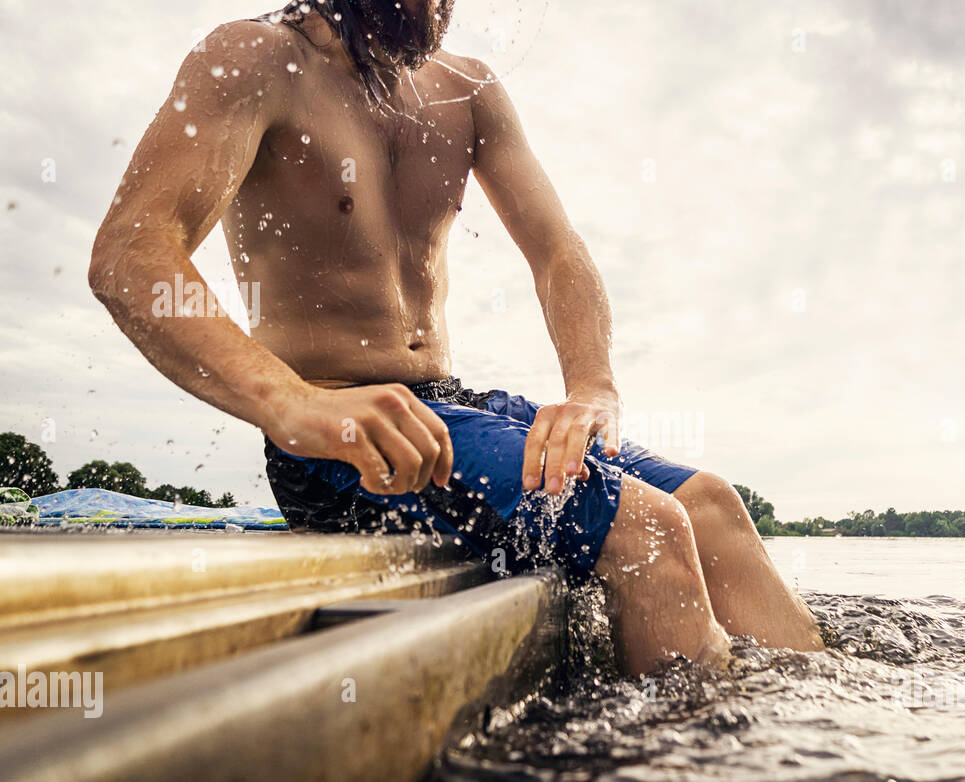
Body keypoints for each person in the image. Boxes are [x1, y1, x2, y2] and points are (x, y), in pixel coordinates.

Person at [88, 0, 824, 674]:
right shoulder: (257, 60)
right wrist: (290, 403)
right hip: (342, 438)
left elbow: (558, 252)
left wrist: (594, 386)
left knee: (712, 506)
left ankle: (823, 762)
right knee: (650, 529)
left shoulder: (468, 89)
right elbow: (133, 251)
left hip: (457, 407)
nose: (436, 7)